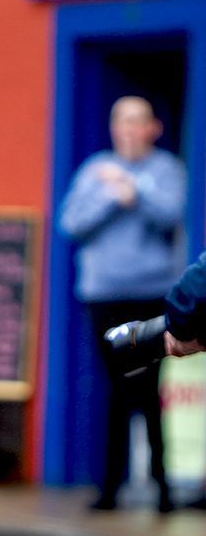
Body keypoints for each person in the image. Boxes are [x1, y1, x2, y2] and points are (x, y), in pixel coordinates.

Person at [59, 95, 185, 513]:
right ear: (114, 127)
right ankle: (110, 489)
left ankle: (163, 489)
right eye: (122, 121)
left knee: (148, 389)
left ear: (153, 128)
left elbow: (170, 214)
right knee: (113, 388)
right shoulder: (96, 171)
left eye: (137, 121)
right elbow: (71, 223)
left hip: (149, 295)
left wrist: (135, 193)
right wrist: (111, 196)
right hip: (103, 296)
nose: (129, 129)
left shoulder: (166, 170)